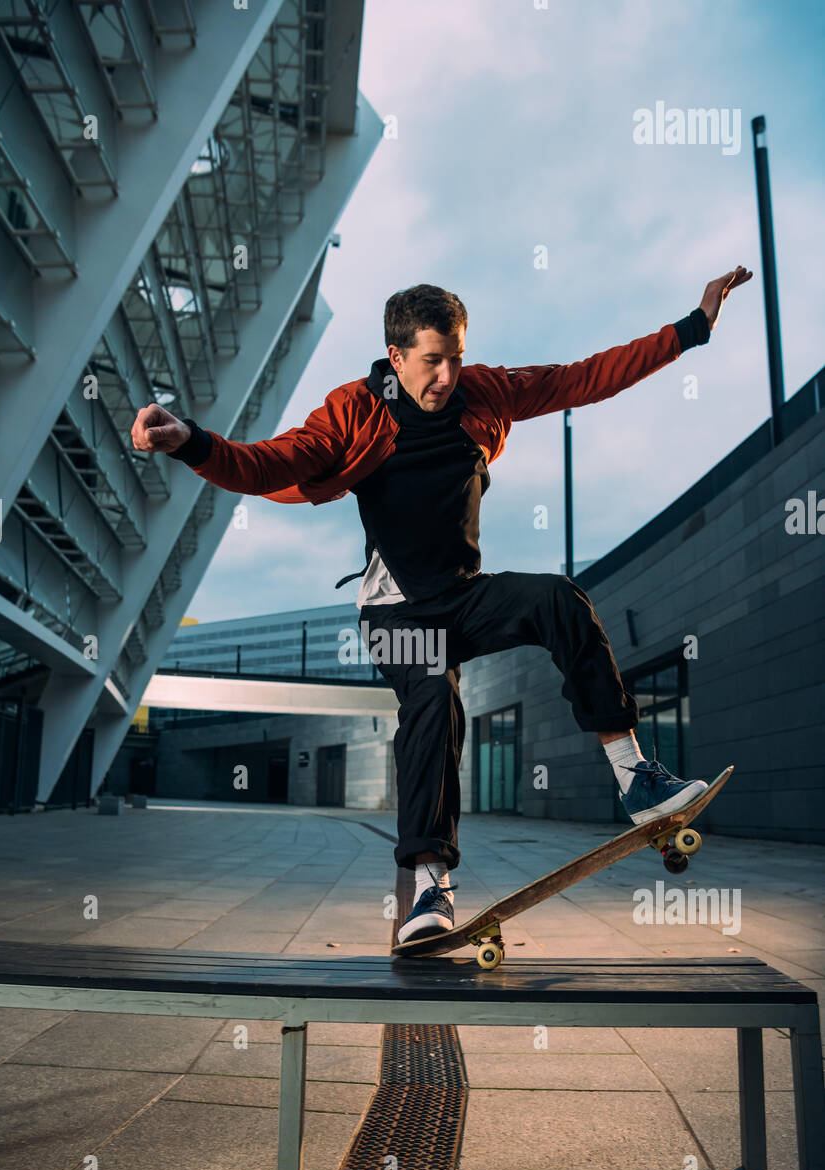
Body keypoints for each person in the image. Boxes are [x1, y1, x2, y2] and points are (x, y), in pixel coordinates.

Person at [131, 269, 752, 944]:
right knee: (432, 699)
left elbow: (582, 377)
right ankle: (430, 885)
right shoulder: (354, 411)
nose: (446, 377)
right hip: (395, 615)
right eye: (432, 362)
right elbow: (267, 463)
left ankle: (636, 779)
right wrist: (189, 441)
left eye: (455, 357)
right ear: (397, 357)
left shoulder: (482, 390)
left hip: (460, 599)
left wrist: (690, 329)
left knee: (558, 598)